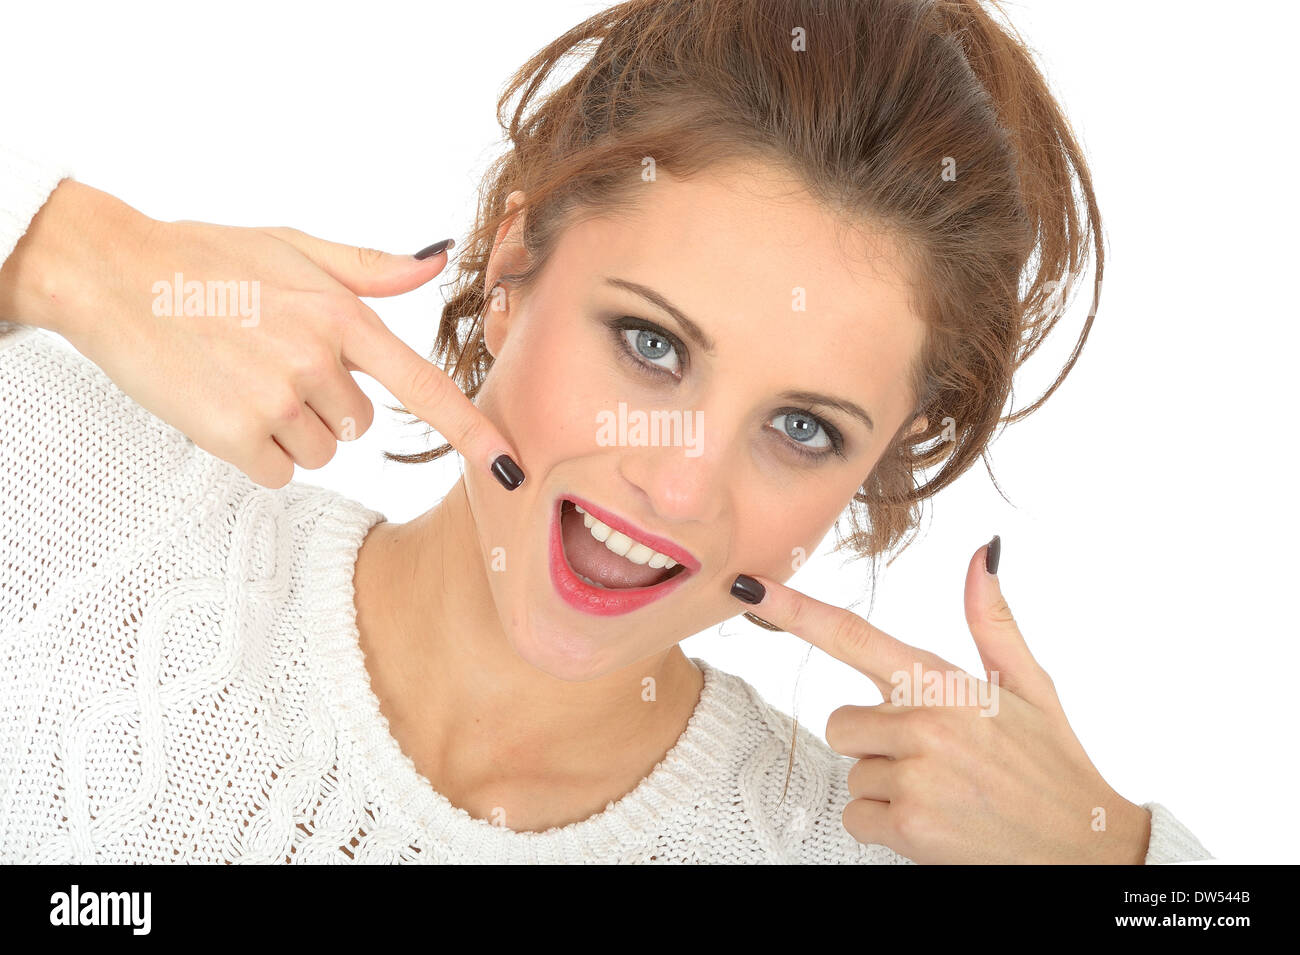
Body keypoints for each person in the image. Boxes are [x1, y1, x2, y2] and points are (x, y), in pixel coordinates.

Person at [0, 0, 1211, 864]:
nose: (680, 482)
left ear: (876, 469)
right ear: (514, 264)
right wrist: (59, 246)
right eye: (650, 343)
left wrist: (1118, 862)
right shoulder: (73, 511)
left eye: (800, 426)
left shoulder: (841, 847)